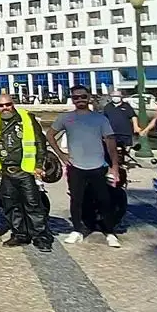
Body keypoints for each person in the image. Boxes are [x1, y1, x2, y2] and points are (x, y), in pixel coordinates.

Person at [47, 86, 122, 247]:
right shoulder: (66, 118)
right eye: (76, 97)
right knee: (76, 200)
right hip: (76, 166)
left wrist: (114, 166)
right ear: (72, 100)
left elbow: (110, 142)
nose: (79, 99)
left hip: (98, 166)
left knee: (104, 200)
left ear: (89, 97)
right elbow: (50, 135)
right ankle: (77, 230)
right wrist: (61, 154)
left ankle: (109, 232)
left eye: (83, 96)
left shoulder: (100, 119)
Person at [0, 95, 52, 252]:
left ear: (13, 104)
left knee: (33, 204)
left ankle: (40, 237)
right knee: (11, 205)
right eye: (1, 106)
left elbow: (40, 142)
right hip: (4, 171)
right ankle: (20, 234)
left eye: (7, 104)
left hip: (25, 169)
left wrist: (39, 165)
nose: (4, 108)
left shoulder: (26, 118)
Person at [101, 92, 139, 160]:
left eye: (117, 96)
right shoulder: (107, 106)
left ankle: (124, 161)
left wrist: (136, 126)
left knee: (125, 150)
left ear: (121, 97)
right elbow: (103, 119)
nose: (115, 97)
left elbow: (133, 116)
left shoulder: (127, 106)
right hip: (112, 132)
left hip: (125, 132)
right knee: (112, 150)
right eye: (114, 96)